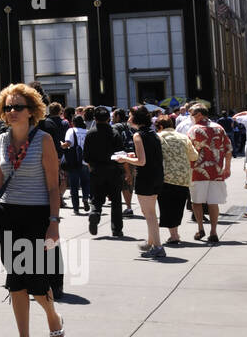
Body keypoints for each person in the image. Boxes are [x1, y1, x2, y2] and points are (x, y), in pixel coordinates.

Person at [0, 84, 64, 337]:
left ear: (32, 111)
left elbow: (53, 186)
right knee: (15, 280)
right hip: (7, 216)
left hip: (37, 216)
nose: (12, 112)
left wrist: (54, 222)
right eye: (8, 107)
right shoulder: (1, 140)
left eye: (18, 107)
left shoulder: (44, 139)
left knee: (37, 282)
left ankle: (53, 315)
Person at [118, 106, 164, 257]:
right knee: (149, 212)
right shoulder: (152, 133)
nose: (128, 118)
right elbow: (148, 156)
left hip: (146, 177)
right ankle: (151, 243)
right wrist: (133, 155)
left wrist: (125, 158)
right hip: (157, 175)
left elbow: (142, 161)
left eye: (130, 116)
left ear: (136, 118)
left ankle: (157, 246)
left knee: (149, 213)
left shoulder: (138, 135)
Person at [187, 104, 231, 243]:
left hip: (197, 171)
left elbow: (188, 151)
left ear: (199, 114)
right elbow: (228, 150)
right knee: (213, 202)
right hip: (216, 171)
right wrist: (227, 168)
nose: (191, 118)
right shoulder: (219, 128)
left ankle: (200, 228)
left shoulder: (194, 130)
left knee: (196, 201)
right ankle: (213, 231)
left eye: (193, 115)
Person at [83, 106, 125, 238]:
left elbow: (86, 156)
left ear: (95, 118)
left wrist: (91, 165)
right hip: (113, 170)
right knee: (116, 201)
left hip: (96, 169)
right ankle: (116, 229)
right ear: (108, 118)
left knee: (97, 198)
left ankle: (95, 212)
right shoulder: (114, 132)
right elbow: (120, 153)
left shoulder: (90, 133)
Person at [154, 115, 197, 245]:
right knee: (178, 206)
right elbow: (194, 156)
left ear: (160, 127)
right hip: (183, 177)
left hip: (166, 176)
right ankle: (175, 233)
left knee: (166, 206)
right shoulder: (183, 137)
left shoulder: (158, 137)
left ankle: (174, 235)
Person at [61, 115, 90, 214]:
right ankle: (85, 198)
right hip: (85, 161)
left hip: (74, 162)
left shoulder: (71, 131)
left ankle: (76, 208)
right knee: (85, 182)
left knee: (74, 186)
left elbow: (68, 143)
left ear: (73, 122)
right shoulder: (87, 132)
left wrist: (62, 145)